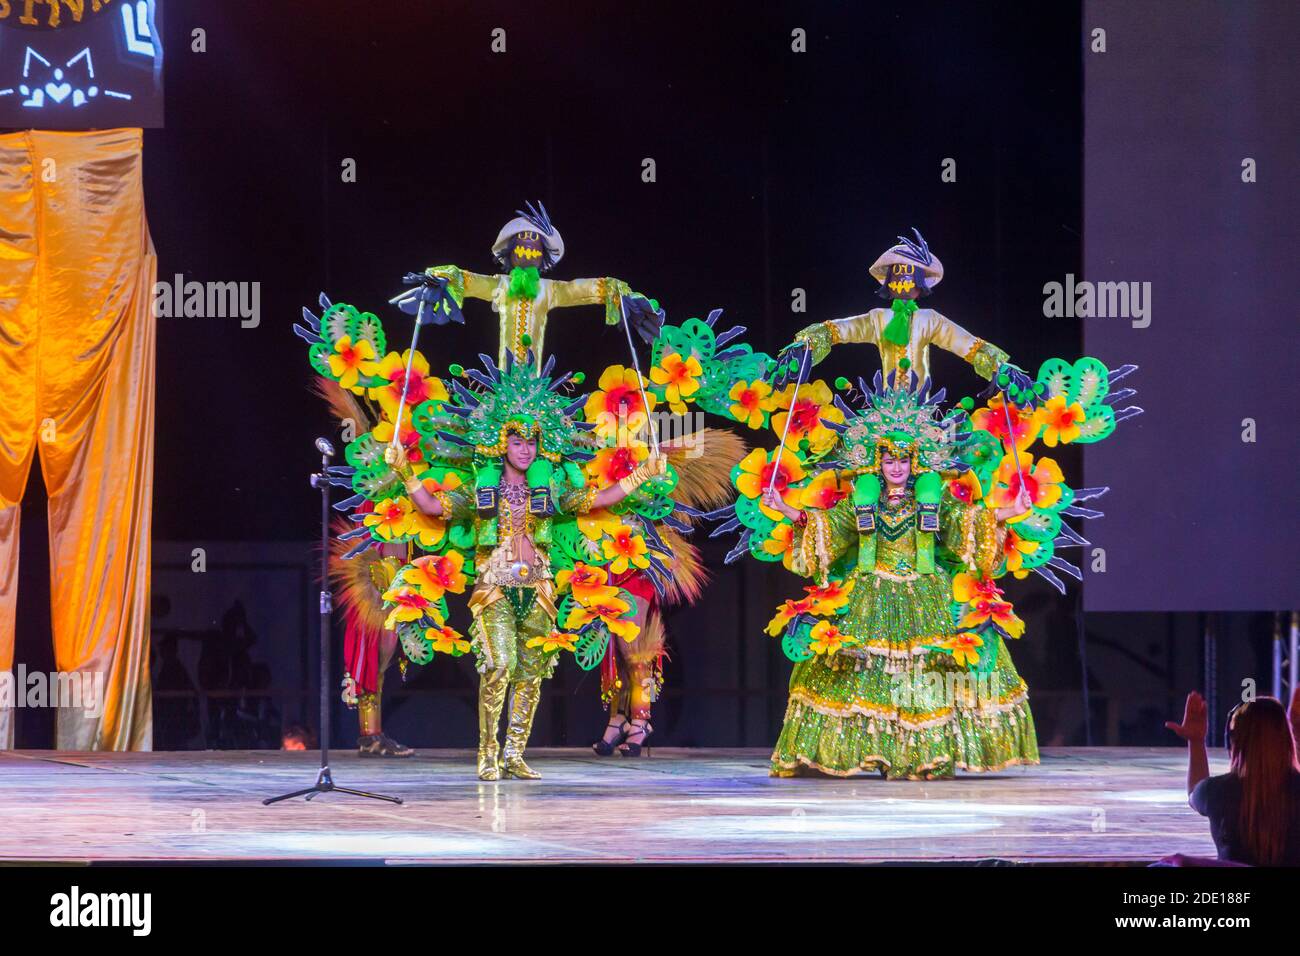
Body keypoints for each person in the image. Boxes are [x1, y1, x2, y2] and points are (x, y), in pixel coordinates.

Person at [755, 372, 1038, 779]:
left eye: (904, 460)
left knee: (928, 674)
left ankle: (929, 753)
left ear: (914, 462)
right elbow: (827, 525)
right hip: (871, 592)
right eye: (889, 460)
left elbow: (965, 523)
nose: (897, 467)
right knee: (864, 673)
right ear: (878, 462)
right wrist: (782, 507)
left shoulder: (931, 499)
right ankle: (871, 751)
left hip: (927, 593)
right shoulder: (863, 501)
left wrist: (1011, 511)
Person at [1165, 690, 1300, 866]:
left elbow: (1194, 792)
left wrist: (1196, 741)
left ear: (1235, 741)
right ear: (1287, 739)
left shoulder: (1216, 792)